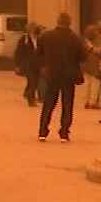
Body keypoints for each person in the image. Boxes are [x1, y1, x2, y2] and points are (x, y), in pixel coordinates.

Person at [36, 12, 87, 143]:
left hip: (52, 74)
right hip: (69, 75)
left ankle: (43, 131)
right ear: (69, 23)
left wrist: (44, 66)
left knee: (48, 103)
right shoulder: (76, 38)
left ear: (57, 21)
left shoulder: (46, 36)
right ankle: (64, 132)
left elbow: (39, 53)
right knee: (67, 104)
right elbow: (83, 57)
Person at [14, 23, 42, 107]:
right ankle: (31, 100)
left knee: (35, 82)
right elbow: (18, 52)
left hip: (37, 64)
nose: (33, 29)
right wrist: (17, 65)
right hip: (28, 64)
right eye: (31, 28)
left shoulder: (39, 38)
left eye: (34, 28)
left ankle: (27, 93)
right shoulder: (24, 39)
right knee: (32, 82)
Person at [82, 22, 101, 110]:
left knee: (88, 83)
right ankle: (93, 102)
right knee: (96, 83)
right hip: (95, 63)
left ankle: (87, 101)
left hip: (87, 63)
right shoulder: (97, 40)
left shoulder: (85, 41)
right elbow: (98, 51)